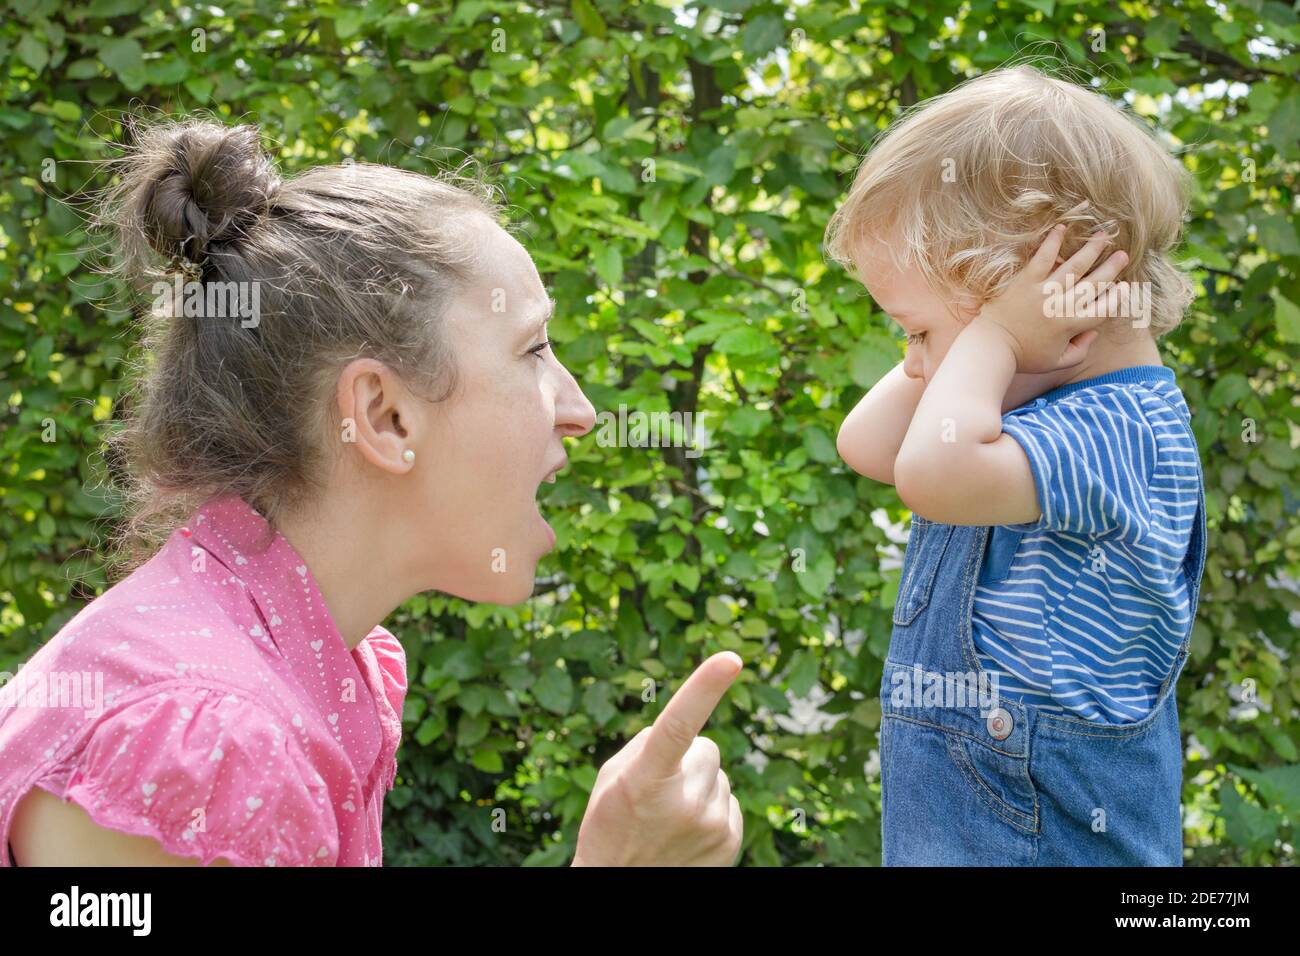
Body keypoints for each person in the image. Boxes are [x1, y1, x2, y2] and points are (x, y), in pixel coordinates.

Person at [0, 118, 744, 866]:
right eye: (534, 350)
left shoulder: (273, 666)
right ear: (384, 418)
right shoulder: (216, 741)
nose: (581, 412)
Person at [829, 65, 1207, 864]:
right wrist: (958, 340)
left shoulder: (1120, 429)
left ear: (1050, 288)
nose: (915, 362)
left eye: (920, 333)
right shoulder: (1013, 410)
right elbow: (865, 447)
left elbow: (929, 477)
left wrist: (993, 337)